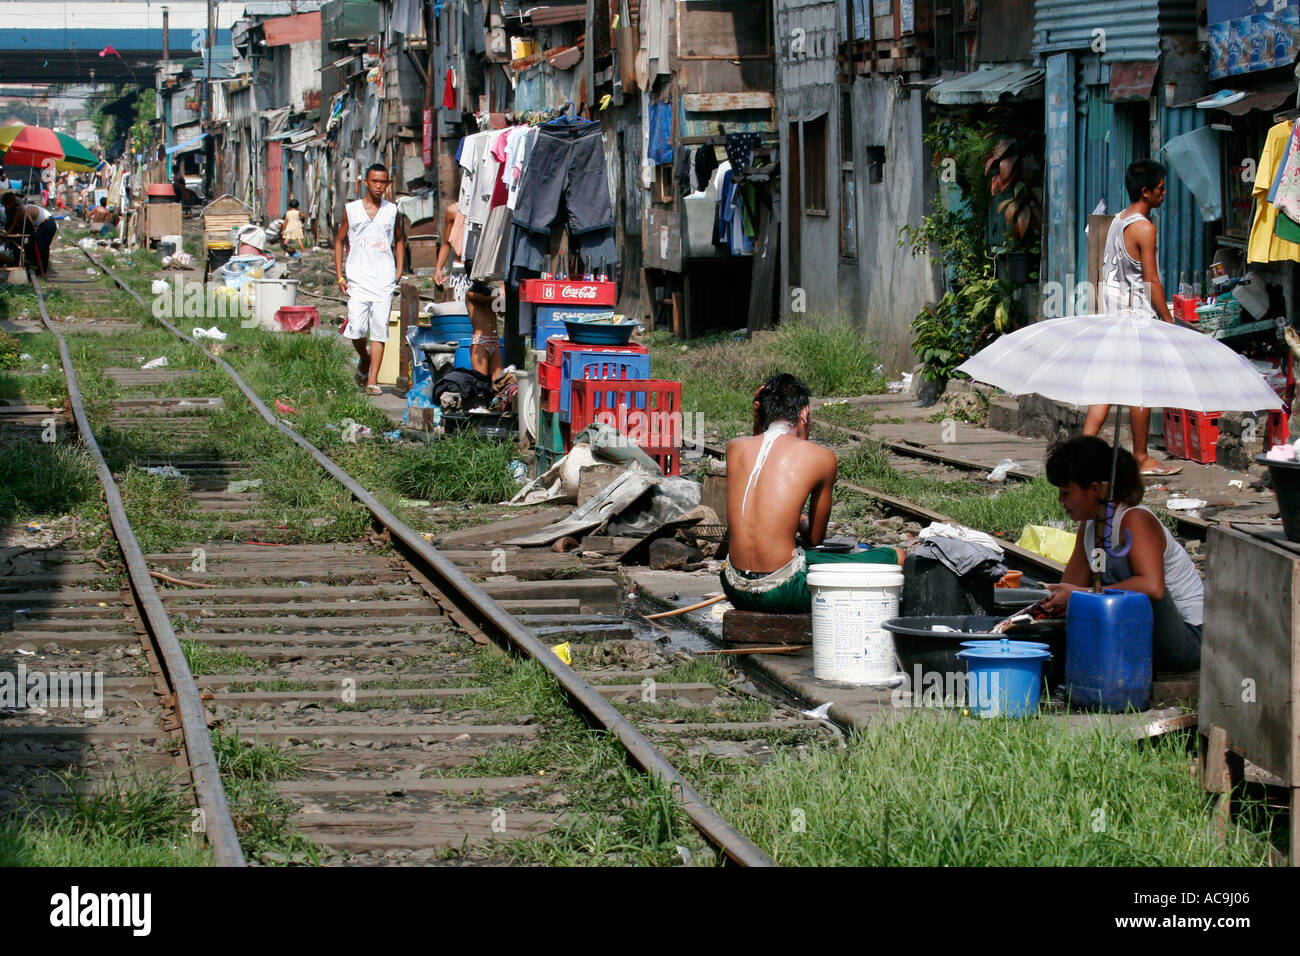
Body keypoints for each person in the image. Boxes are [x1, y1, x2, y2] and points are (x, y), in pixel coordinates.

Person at [720, 374, 903, 614]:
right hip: (783, 590)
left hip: (733, 587)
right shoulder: (822, 457)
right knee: (896, 556)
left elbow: (758, 441)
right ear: (804, 412)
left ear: (760, 412)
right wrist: (800, 521)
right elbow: (815, 538)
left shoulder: (735, 447)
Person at [1043, 435, 1202, 671]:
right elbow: (1070, 587)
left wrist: (1084, 593)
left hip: (1186, 639)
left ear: (1094, 489)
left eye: (1066, 493)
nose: (1061, 501)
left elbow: (1152, 587)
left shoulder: (1135, 519)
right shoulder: (1089, 527)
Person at [1088, 159, 1181, 477]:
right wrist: (1168, 318)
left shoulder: (1118, 221)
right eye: (1160, 188)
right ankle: (1140, 456)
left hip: (1112, 309)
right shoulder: (1143, 227)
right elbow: (1151, 280)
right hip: (1133, 313)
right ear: (1146, 191)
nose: (1164, 193)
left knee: (1106, 384)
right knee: (1140, 385)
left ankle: (1083, 449)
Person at [333, 164, 406, 395]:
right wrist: (339, 275)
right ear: (365, 182)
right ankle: (364, 360)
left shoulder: (392, 211)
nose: (378, 186)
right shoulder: (351, 210)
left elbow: (400, 240)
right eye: (374, 181)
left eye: (383, 182)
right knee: (356, 329)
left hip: (384, 278)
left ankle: (372, 380)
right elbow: (339, 241)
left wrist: (399, 269)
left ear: (388, 184)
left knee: (379, 329)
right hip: (357, 277)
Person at [2, 192, 57, 277]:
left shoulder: (21, 210)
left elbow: (30, 224)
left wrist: (7, 234)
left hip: (47, 223)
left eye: (7, 205)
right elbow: (13, 225)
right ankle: (40, 270)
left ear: (11, 204)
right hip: (45, 223)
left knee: (40, 248)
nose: (6, 207)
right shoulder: (18, 210)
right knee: (41, 248)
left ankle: (41, 272)